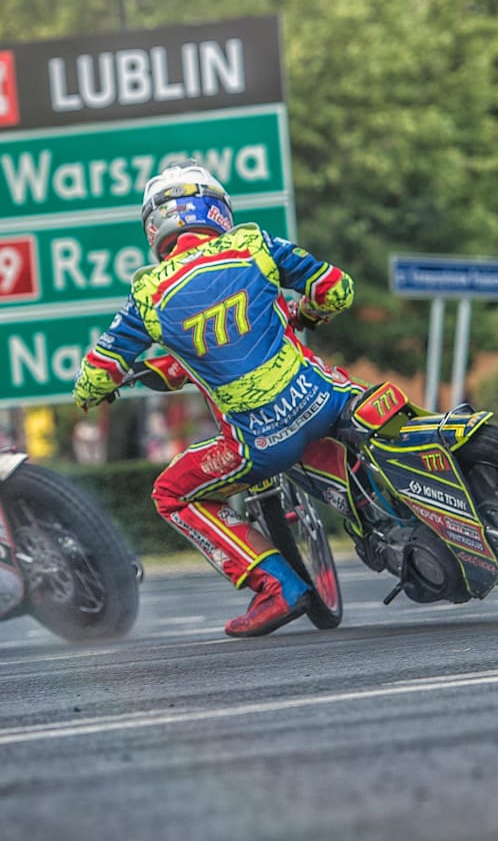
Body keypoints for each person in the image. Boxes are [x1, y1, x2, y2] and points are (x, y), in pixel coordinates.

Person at [72, 160, 359, 637]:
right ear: (218, 210)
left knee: (170, 493)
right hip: (326, 400)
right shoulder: (255, 244)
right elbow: (338, 291)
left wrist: (90, 393)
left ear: (154, 227)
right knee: (369, 411)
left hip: (260, 443)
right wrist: (308, 311)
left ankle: (276, 588)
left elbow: (98, 372)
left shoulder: (149, 293)